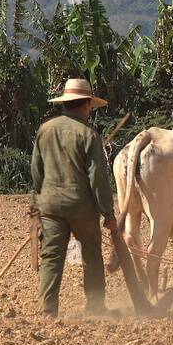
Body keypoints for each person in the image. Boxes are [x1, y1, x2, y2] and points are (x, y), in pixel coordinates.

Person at [31, 78, 119, 318]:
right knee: (91, 253)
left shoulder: (45, 130)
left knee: (51, 256)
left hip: (49, 205)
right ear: (86, 105)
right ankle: (95, 307)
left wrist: (39, 201)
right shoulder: (88, 134)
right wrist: (108, 213)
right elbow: (97, 178)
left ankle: (47, 310)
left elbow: (36, 171)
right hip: (81, 206)